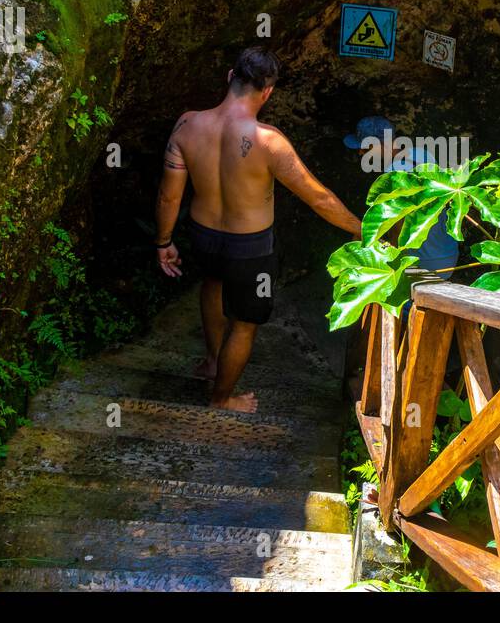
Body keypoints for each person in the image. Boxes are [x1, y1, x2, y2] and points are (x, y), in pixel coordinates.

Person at [154, 47, 362, 412]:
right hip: (249, 248)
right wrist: (361, 229)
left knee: (212, 285)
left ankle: (213, 362)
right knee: (246, 323)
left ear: (230, 76)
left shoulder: (187, 124)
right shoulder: (269, 142)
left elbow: (169, 196)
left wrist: (164, 241)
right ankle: (221, 398)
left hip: (202, 235)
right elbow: (319, 199)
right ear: (267, 92)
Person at [344, 116, 459, 278]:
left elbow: (399, 223)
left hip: (424, 263)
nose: (360, 152)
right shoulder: (421, 154)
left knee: (358, 241)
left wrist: (391, 256)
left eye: (364, 147)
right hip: (448, 255)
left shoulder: (395, 173)